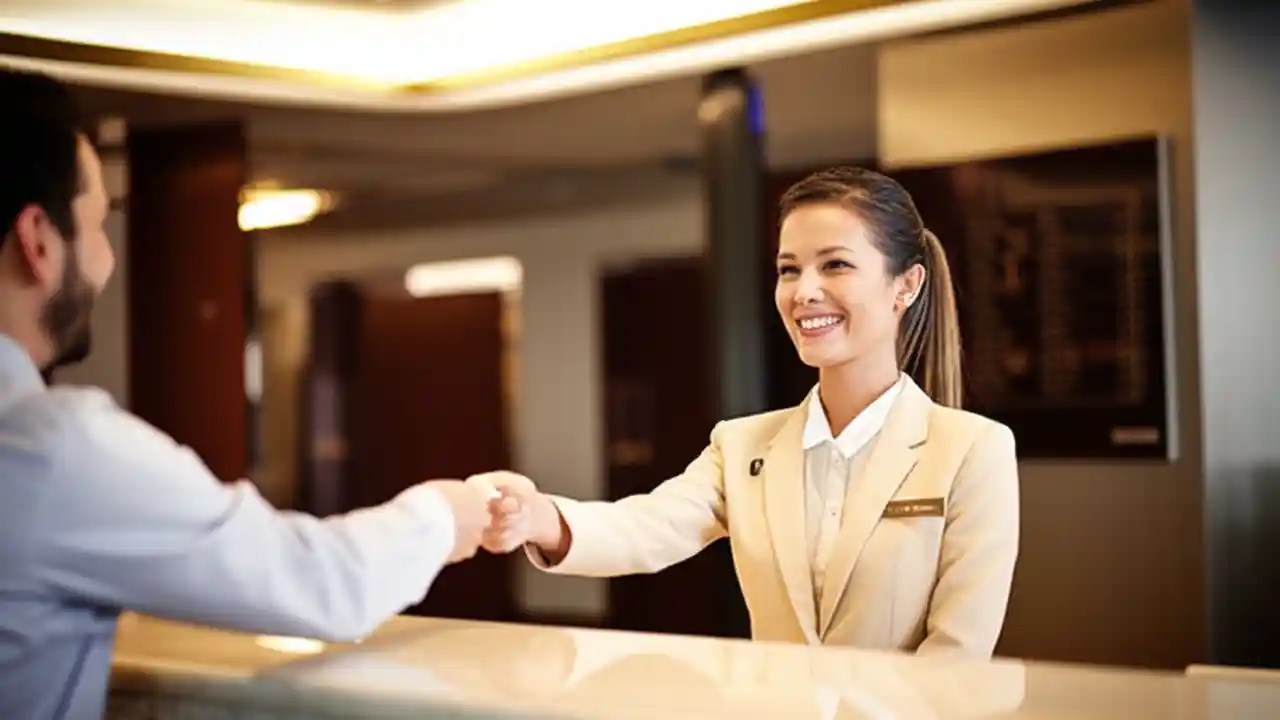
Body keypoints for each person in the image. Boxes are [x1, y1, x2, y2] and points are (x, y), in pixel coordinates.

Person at [0, 68, 492, 719]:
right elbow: (318, 583)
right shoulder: (51, 447)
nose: (107, 261)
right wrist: (446, 514)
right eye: (95, 225)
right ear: (37, 240)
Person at [477, 167, 1020, 657]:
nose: (805, 291)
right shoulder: (741, 446)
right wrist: (537, 517)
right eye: (789, 269)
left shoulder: (972, 450)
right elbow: (644, 529)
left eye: (835, 265)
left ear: (907, 284)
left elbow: (958, 653)